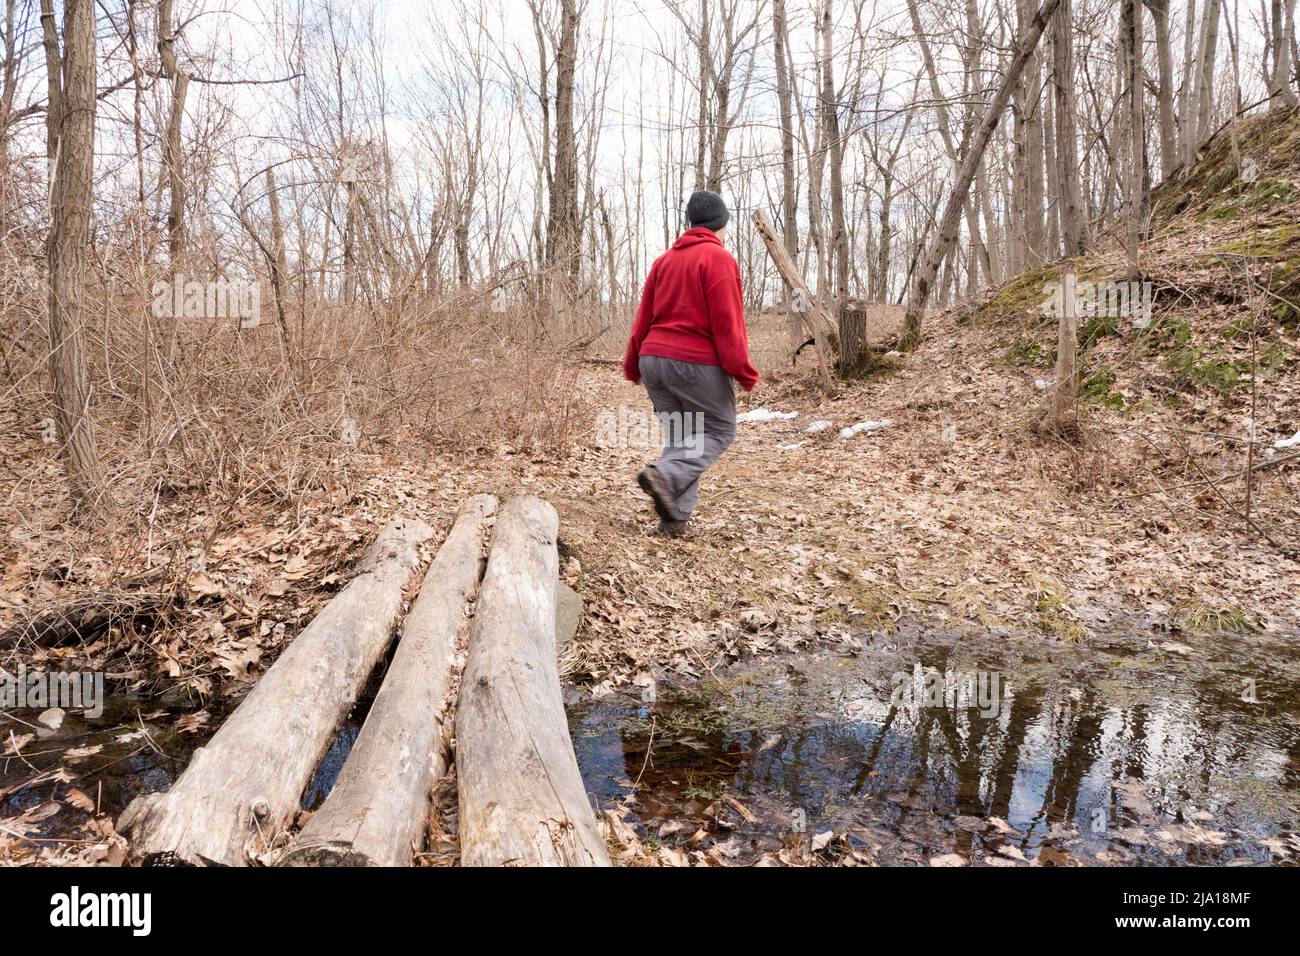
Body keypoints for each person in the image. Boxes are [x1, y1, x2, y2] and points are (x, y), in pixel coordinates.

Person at [623, 190, 760, 537]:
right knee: (717, 429)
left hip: (653, 359)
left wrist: (632, 363)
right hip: (693, 362)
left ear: (691, 223)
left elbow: (643, 320)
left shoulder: (664, 261)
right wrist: (743, 370)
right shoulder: (718, 259)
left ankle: (675, 519)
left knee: (683, 438)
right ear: (721, 224)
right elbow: (727, 324)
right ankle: (664, 477)